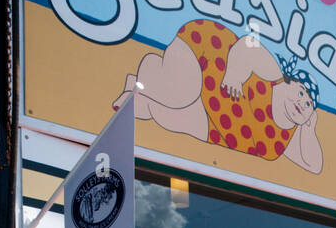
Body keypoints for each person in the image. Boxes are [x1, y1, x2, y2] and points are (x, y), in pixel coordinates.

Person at [113, 21, 323, 173]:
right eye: (300, 93)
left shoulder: (285, 136)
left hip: (211, 121)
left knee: (168, 117)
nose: (301, 103)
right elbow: (249, 45)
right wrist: (234, 74)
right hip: (206, 53)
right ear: (290, 83)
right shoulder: (275, 77)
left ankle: (137, 90)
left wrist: (309, 127)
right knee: (179, 94)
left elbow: (314, 166)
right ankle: (150, 72)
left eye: (307, 105)